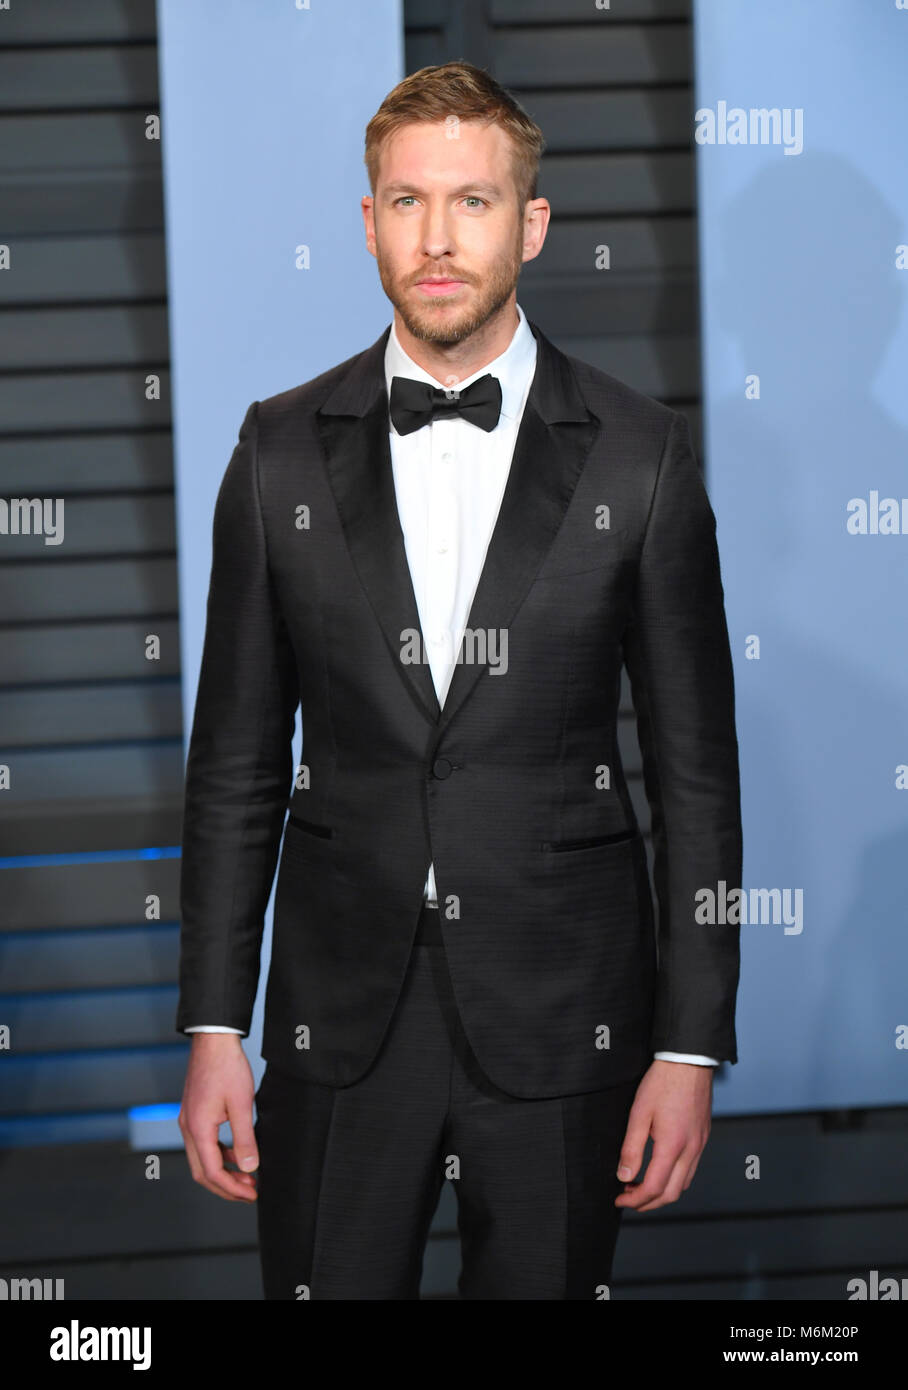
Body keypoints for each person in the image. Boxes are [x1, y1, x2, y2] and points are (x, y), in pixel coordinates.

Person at [176, 61, 742, 1300]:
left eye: (472, 203)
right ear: (367, 219)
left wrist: (689, 1041)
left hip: (566, 1014)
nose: (436, 240)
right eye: (404, 201)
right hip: (338, 1025)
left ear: (530, 226)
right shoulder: (276, 450)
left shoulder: (639, 457)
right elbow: (232, 764)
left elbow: (697, 776)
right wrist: (214, 1026)